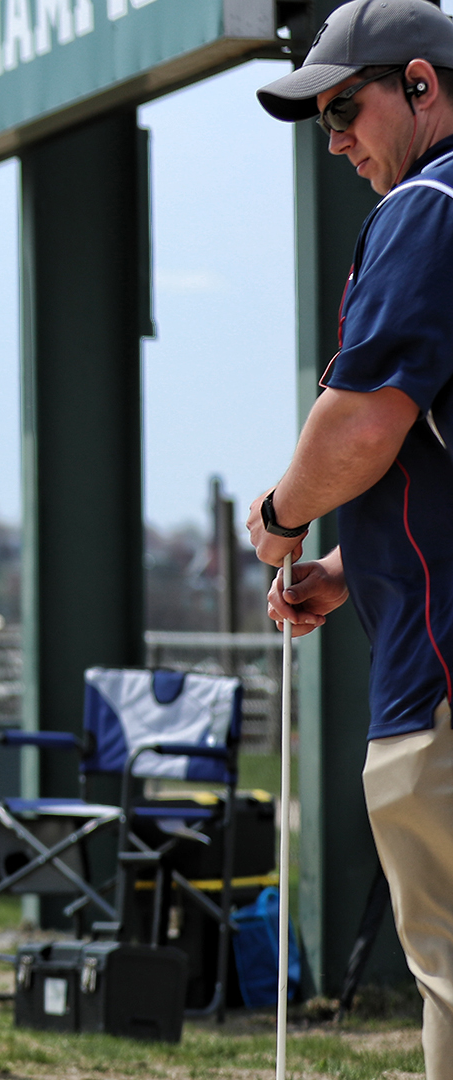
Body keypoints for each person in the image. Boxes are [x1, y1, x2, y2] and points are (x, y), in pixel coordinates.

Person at [252, 2, 453, 1070]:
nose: (335, 143)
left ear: (422, 85)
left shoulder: (430, 201)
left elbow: (365, 419)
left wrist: (285, 520)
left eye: (345, 110)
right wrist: (349, 565)